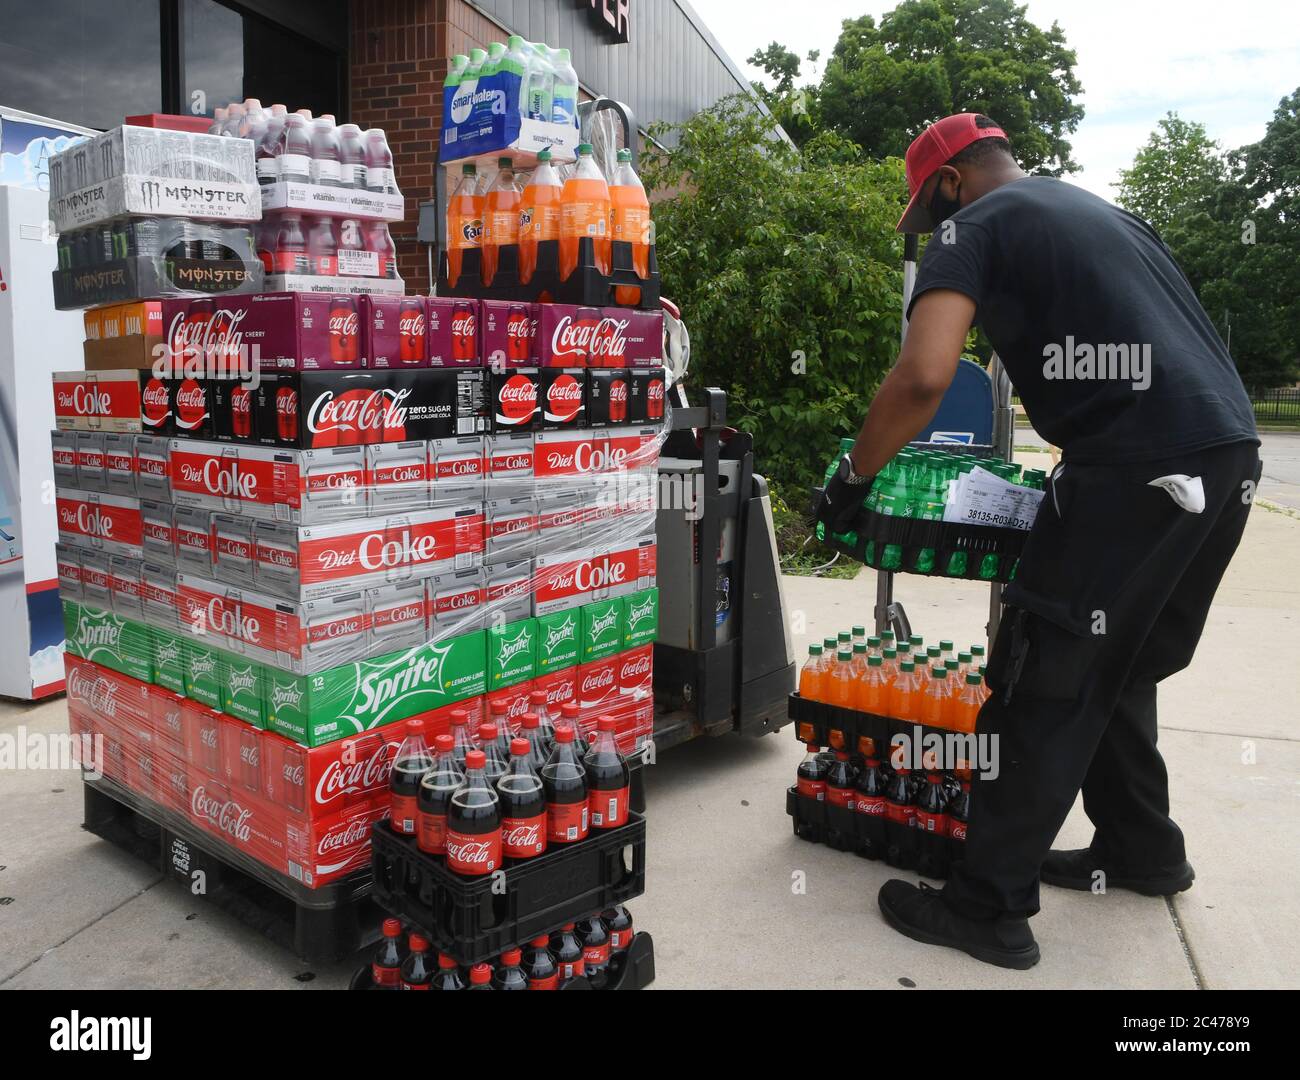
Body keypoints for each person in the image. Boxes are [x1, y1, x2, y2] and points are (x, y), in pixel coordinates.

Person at [815, 112, 1260, 969]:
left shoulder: (973, 225)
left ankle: (987, 908)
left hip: (1136, 468)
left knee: (1041, 677)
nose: (927, 235)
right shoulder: (1100, 212)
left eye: (925, 215)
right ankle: (1143, 850)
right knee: (1116, 663)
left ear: (950, 182)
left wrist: (853, 477)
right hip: (1225, 456)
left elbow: (924, 376)